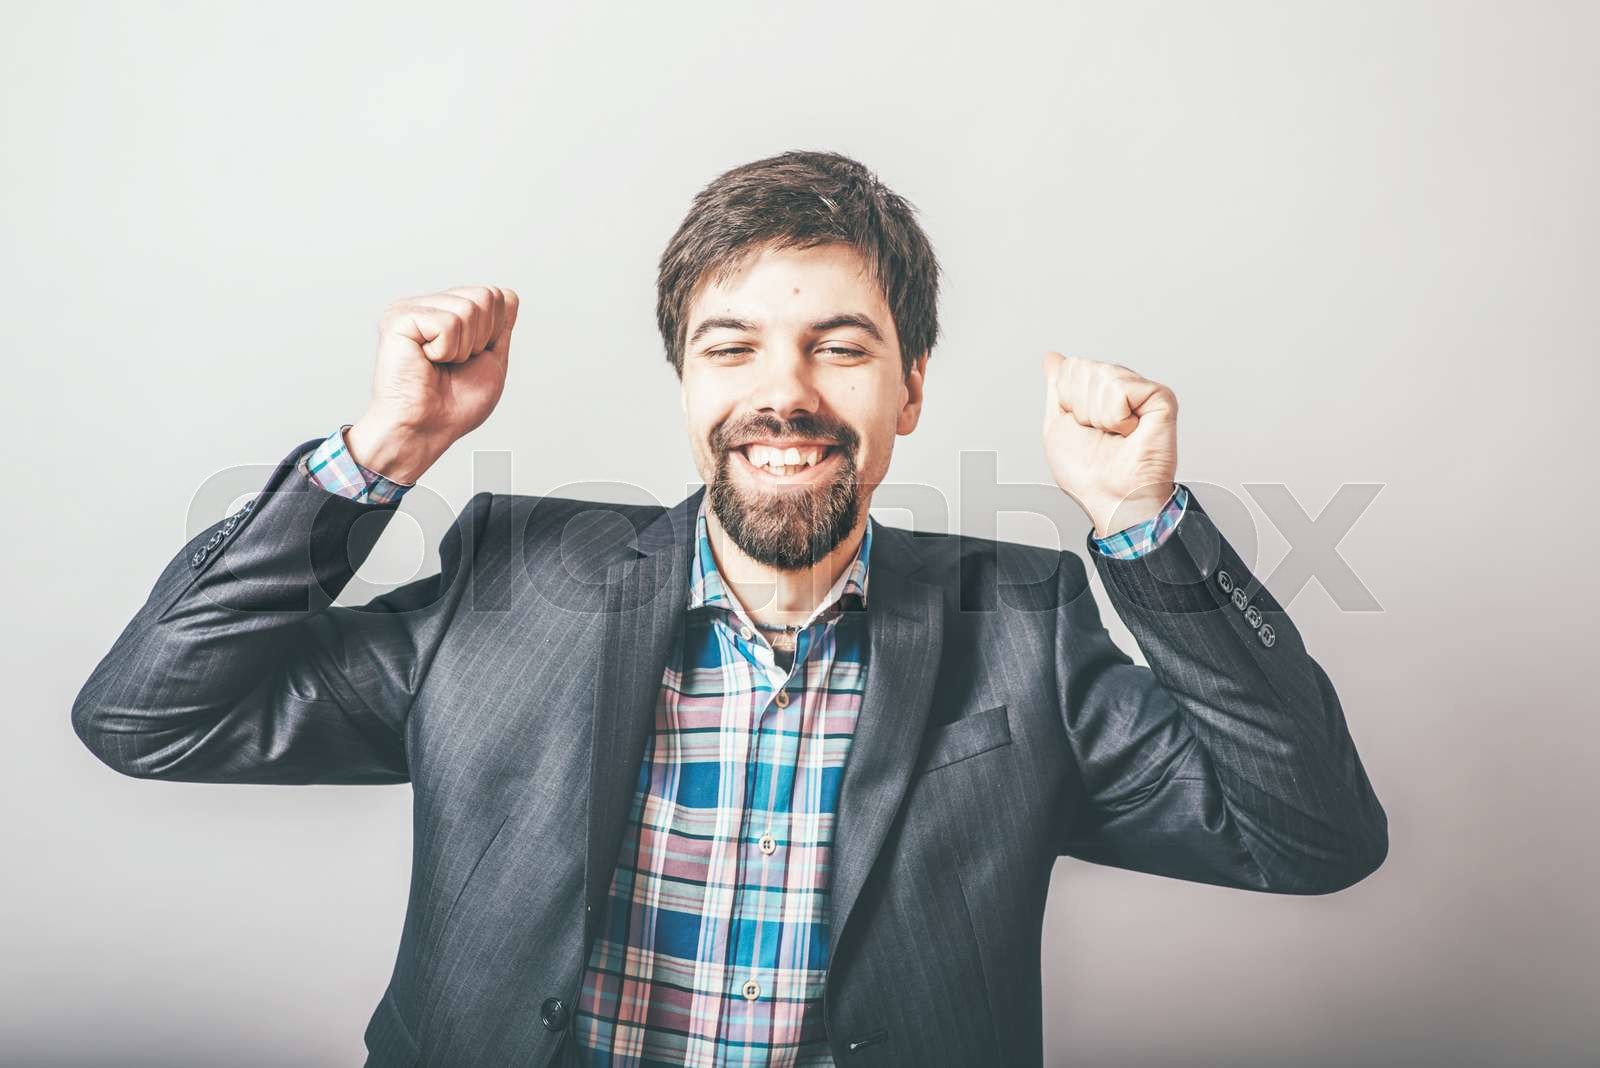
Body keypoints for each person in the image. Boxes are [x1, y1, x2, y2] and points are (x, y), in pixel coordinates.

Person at [72, 149, 1387, 1067]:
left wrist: (1142, 526)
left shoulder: (1019, 625)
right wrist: (387, 448)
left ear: (911, 388)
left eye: (841, 347)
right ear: (686, 382)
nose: (786, 391)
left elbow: (1311, 838)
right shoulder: (509, 589)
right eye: (734, 345)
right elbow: (151, 717)